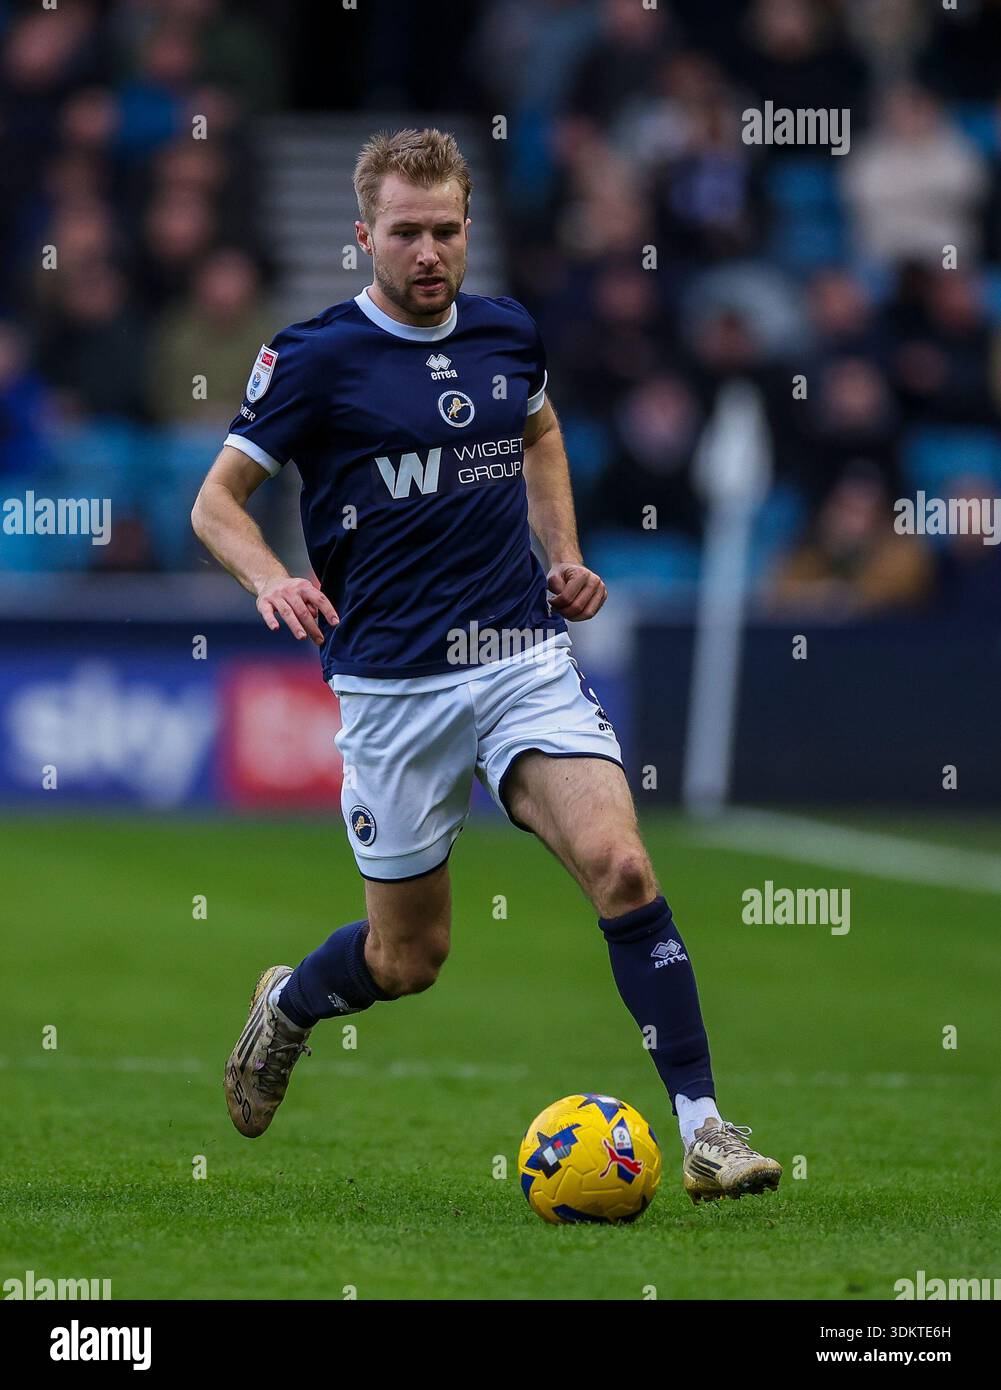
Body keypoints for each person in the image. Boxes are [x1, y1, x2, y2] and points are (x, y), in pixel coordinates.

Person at [191, 127, 781, 1207]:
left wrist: (564, 557)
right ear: (363, 235)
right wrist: (269, 578)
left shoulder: (508, 333)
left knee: (624, 869)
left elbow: (540, 431)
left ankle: (703, 1125)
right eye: (405, 233)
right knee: (406, 960)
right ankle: (289, 1004)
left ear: (470, 231)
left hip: (518, 658)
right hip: (391, 689)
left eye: (446, 231)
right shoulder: (314, 357)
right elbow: (213, 501)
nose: (428, 252)